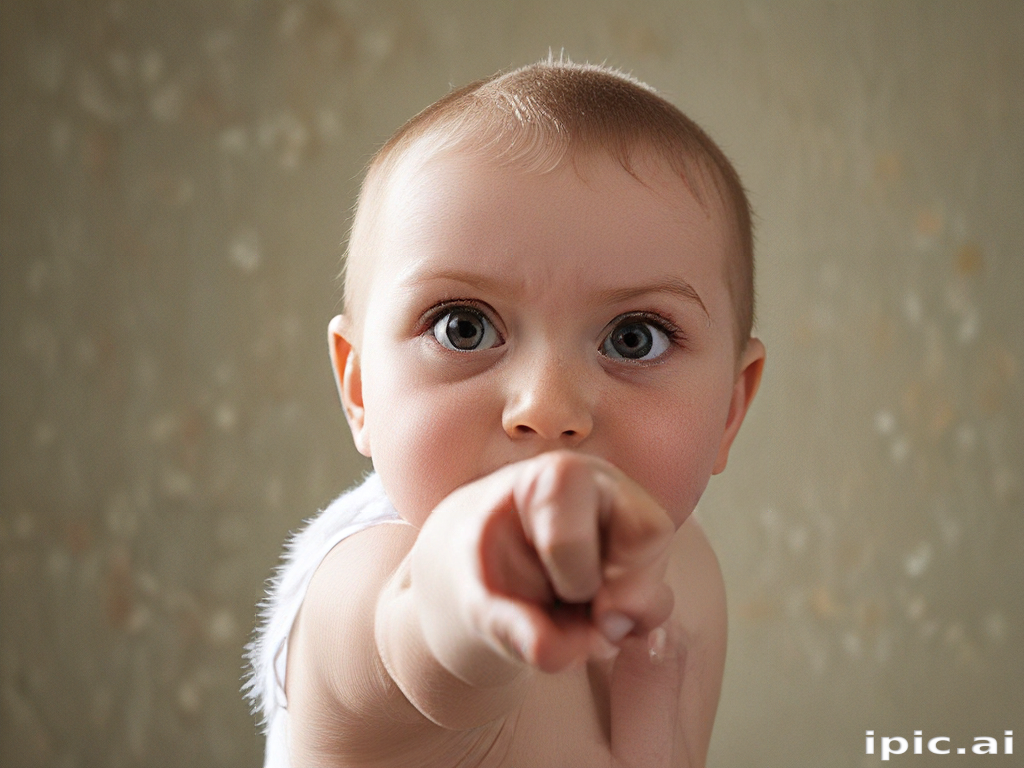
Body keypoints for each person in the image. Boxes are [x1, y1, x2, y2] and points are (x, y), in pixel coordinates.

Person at [247, 56, 765, 768]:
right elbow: (426, 625)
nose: (547, 408)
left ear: (730, 411)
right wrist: (481, 576)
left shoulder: (690, 578)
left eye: (633, 338)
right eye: (464, 327)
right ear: (360, 389)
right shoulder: (360, 590)